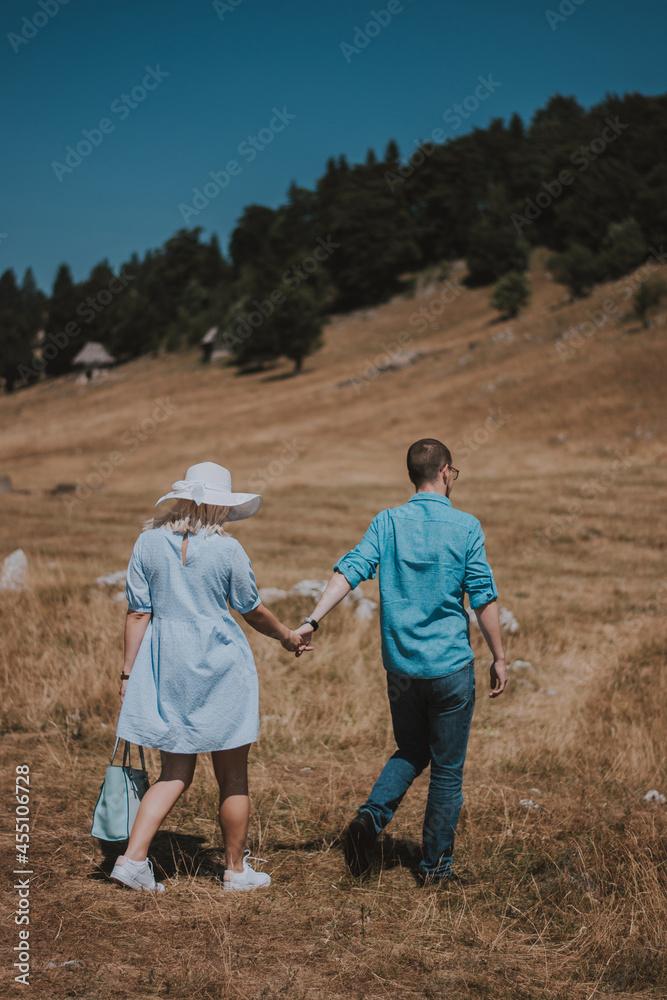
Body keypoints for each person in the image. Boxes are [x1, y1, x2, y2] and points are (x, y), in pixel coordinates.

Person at [295, 439, 507, 883]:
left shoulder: (387, 523)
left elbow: (350, 570)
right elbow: (483, 598)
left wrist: (313, 619)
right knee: (447, 772)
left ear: (413, 474)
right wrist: (499, 657)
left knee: (412, 749)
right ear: (446, 472)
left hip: (402, 669)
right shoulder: (466, 526)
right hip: (450, 669)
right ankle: (434, 869)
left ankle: (369, 820)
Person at [110, 462, 311, 893]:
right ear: (221, 505)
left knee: (174, 773)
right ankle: (236, 871)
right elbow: (251, 608)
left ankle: (132, 860)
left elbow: (138, 612)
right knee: (232, 774)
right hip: (221, 666)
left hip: (166, 665)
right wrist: (288, 636)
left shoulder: (147, 543)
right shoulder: (228, 551)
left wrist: (128, 673)